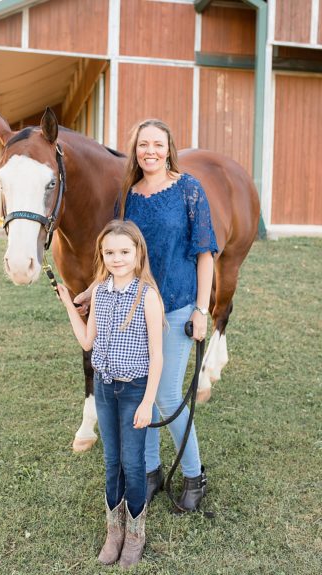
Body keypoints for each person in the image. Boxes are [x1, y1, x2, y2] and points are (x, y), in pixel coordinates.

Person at [77, 119, 218, 511]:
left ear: (169, 148)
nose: (150, 151)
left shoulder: (189, 190)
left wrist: (202, 310)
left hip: (176, 306)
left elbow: (204, 252)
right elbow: (119, 252)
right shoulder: (129, 195)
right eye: (143, 145)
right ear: (135, 150)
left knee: (167, 393)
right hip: (135, 307)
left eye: (157, 144)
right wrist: (91, 290)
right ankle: (152, 470)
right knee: (145, 389)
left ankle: (194, 475)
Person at [58, 219, 164, 568]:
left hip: (134, 391)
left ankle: (135, 534)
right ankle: (114, 531)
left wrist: (148, 402)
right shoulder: (100, 293)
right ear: (102, 256)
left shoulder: (147, 297)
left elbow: (157, 355)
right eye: (110, 252)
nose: (117, 258)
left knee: (133, 465)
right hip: (104, 388)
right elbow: (88, 342)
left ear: (137, 254)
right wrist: (69, 307)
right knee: (111, 461)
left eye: (124, 251)